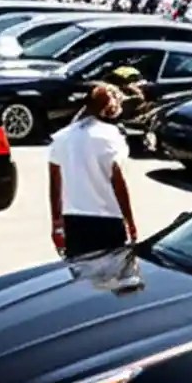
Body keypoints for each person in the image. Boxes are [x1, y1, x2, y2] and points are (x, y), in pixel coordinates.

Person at [48, 85, 137, 259]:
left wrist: (56, 223)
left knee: (80, 273)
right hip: (109, 219)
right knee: (112, 274)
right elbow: (119, 182)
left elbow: (54, 183)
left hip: (73, 219)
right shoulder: (112, 137)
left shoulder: (62, 137)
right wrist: (130, 221)